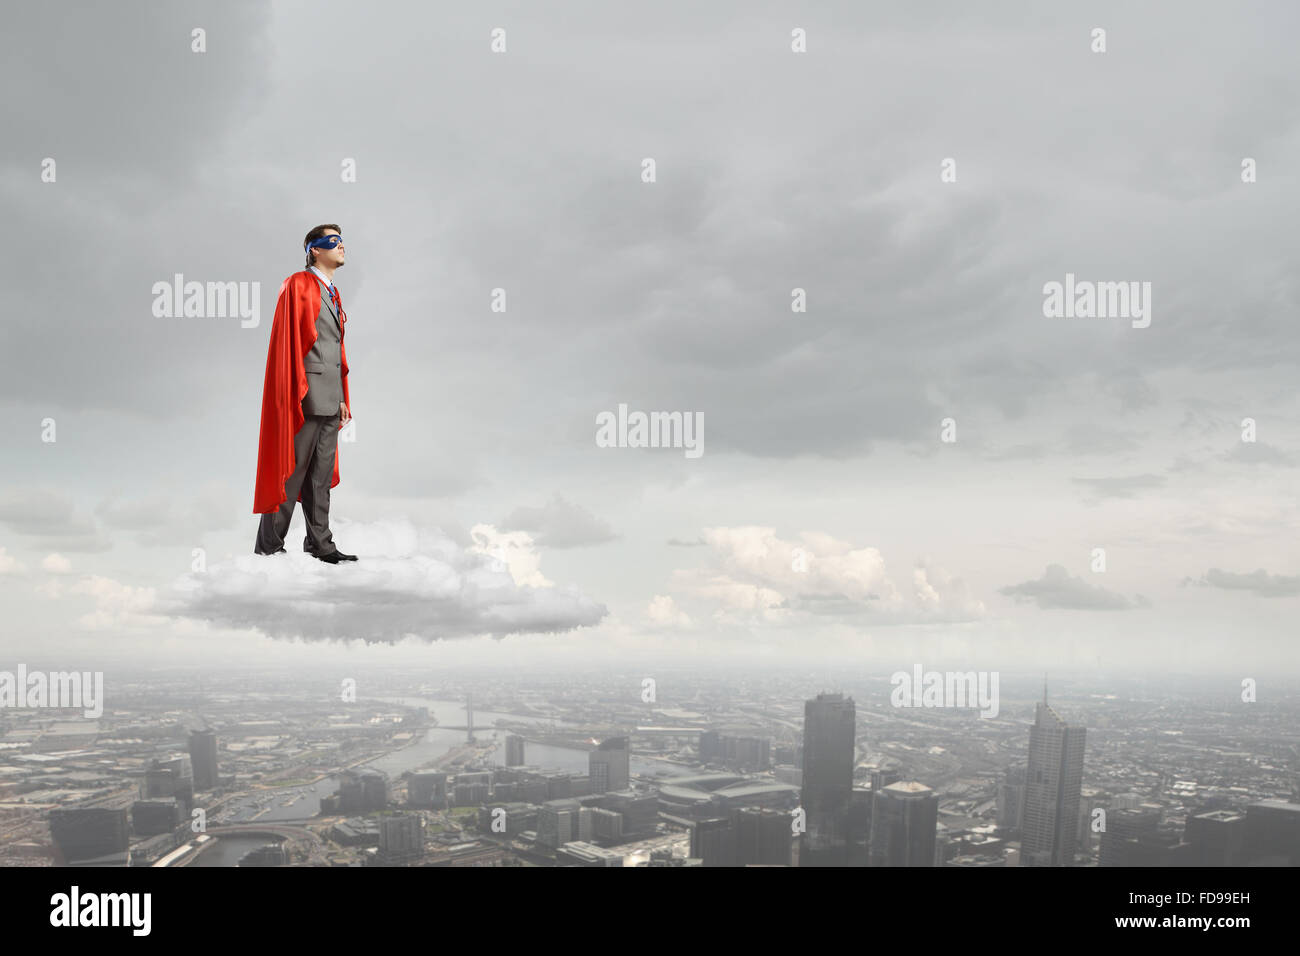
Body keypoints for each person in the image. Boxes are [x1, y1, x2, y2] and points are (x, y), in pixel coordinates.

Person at [252, 224, 357, 563]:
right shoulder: (298, 284)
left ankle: (319, 544)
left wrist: (342, 397)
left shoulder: (333, 292)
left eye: (343, 241)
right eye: (333, 242)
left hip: (330, 397)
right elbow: (290, 342)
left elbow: (335, 350)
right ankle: (269, 546)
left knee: (320, 477)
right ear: (314, 249)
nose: (341, 247)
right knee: (292, 472)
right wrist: (293, 392)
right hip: (305, 394)